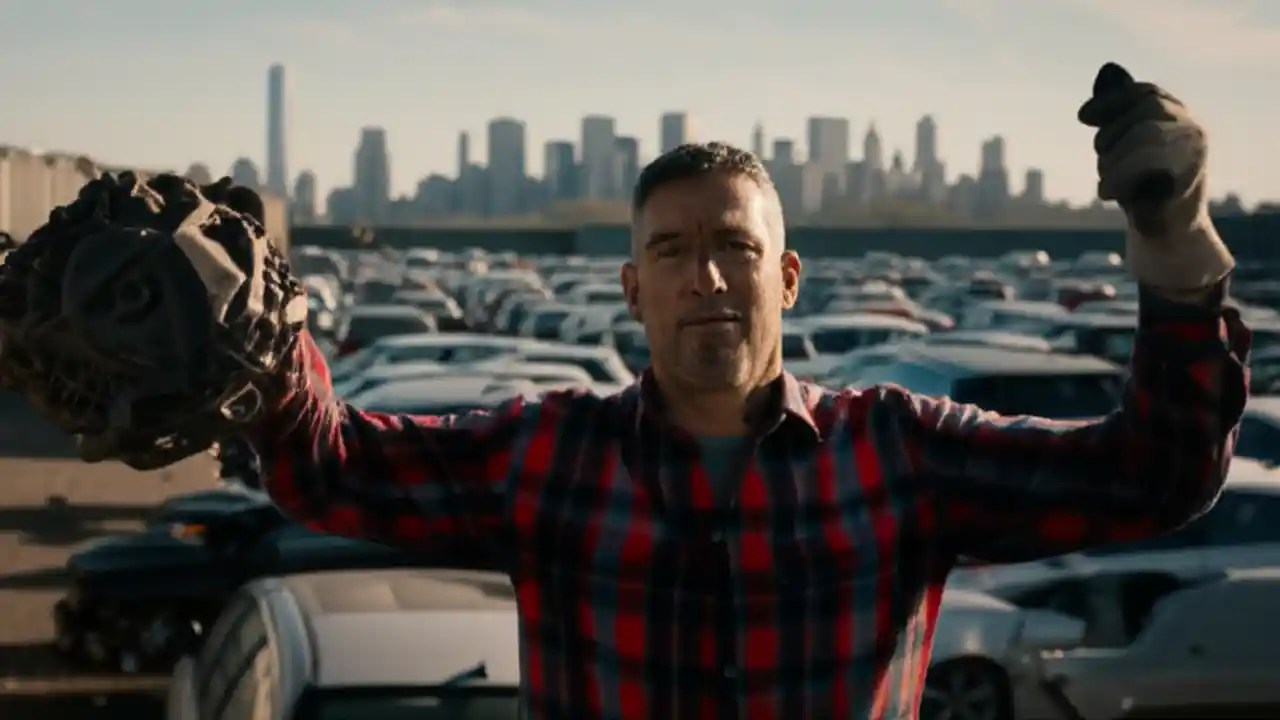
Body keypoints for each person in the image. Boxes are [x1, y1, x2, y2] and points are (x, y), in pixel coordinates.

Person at [249, 65, 1249, 719]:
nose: (707, 277)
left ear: (786, 278)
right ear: (632, 288)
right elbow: (329, 465)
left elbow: (1150, 475)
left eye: (735, 246)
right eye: (673, 251)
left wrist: (1172, 242)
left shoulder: (900, 452)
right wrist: (264, 329)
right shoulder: (548, 455)